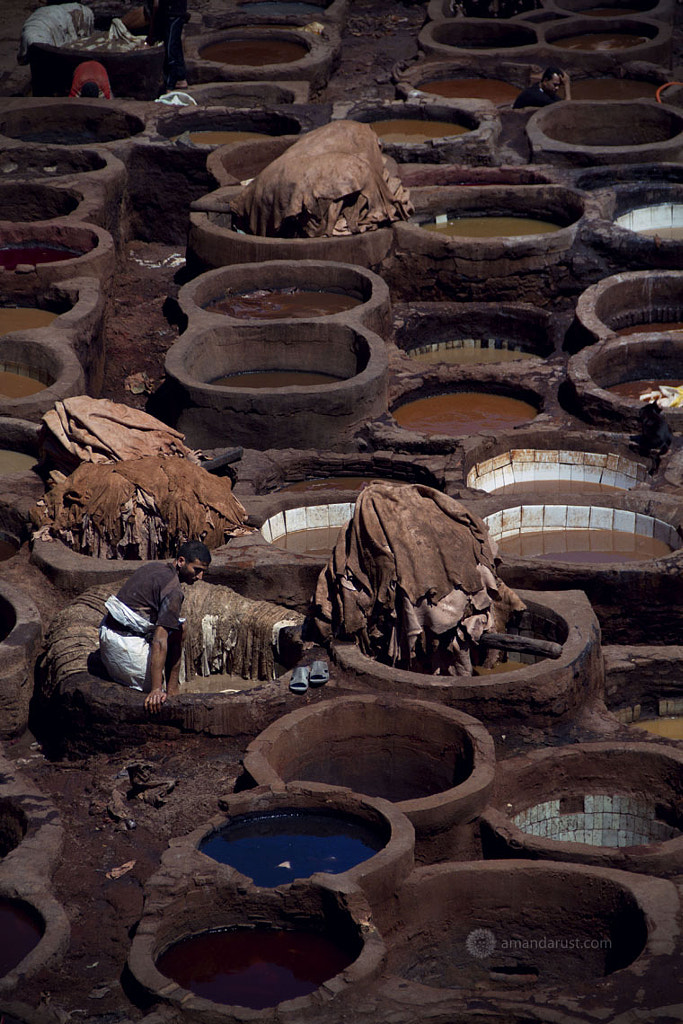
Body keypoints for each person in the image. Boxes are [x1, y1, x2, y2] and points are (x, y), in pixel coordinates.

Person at [98, 540, 211, 713]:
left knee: (179, 627)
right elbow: (159, 641)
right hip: (124, 654)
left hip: (107, 638)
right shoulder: (174, 592)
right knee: (174, 634)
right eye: (197, 570)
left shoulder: (154, 568)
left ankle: (173, 689)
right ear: (181, 561)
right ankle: (164, 689)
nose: (199, 577)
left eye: (203, 572)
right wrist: (156, 689)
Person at [147, 0, 189, 92]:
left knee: (171, 49)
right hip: (170, 11)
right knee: (174, 45)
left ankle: (170, 85)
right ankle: (180, 77)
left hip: (174, 12)